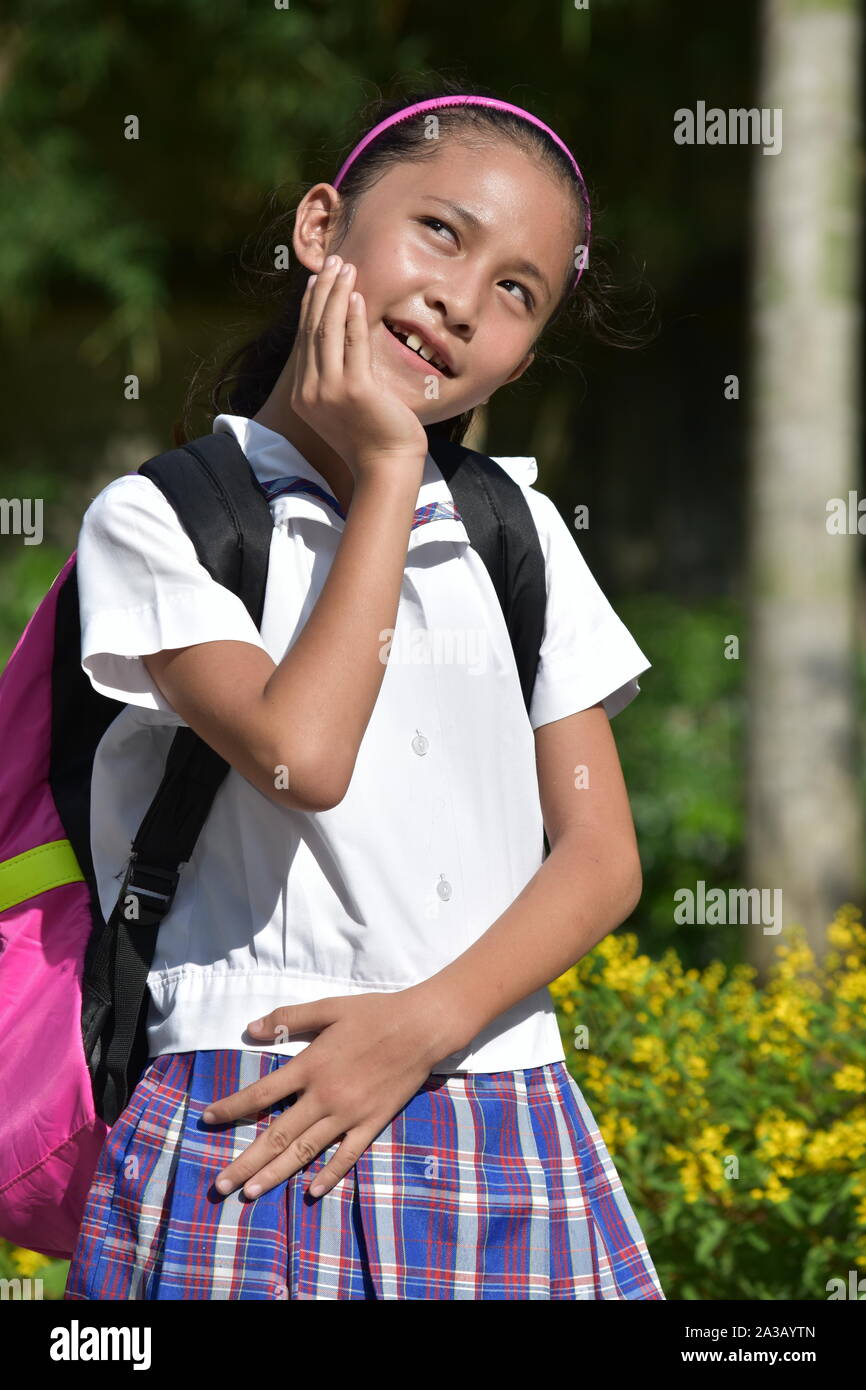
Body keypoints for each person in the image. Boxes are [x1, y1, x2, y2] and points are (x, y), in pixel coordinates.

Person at [64, 80, 665, 1301]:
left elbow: (599, 856)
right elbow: (305, 757)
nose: (459, 298)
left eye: (515, 291)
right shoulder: (161, 520)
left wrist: (422, 1025)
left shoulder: (518, 532)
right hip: (253, 1115)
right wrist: (389, 475)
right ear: (319, 228)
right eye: (439, 231)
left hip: (498, 1099)